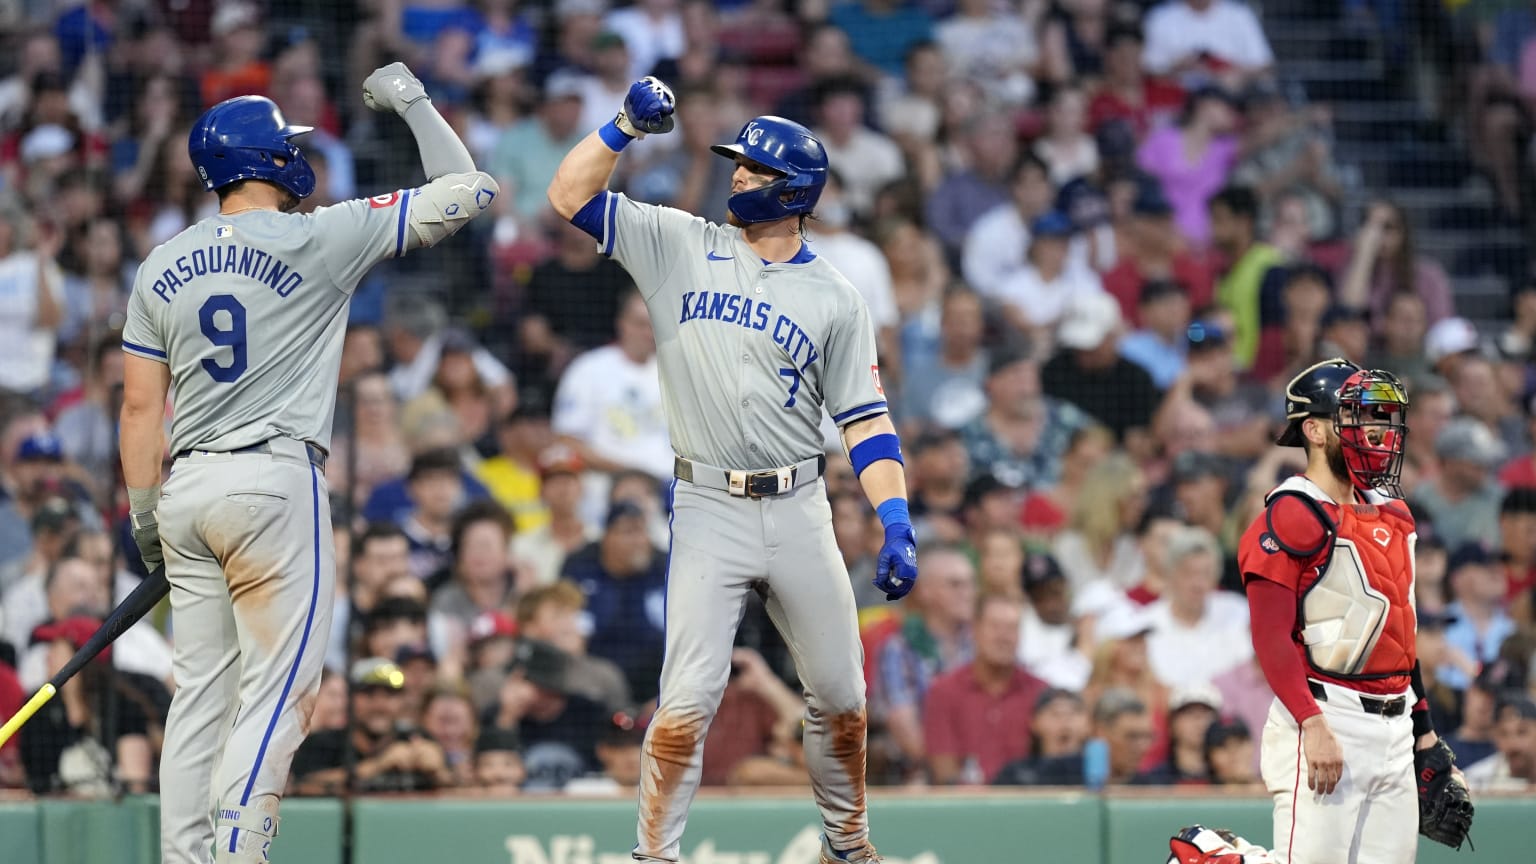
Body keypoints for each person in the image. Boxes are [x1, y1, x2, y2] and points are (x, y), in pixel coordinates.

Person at [118, 65, 497, 864]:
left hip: (187, 485)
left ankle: (185, 857)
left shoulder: (160, 264)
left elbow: (140, 411)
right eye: (286, 145)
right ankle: (238, 854)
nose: (299, 154)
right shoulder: (323, 234)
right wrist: (412, 101)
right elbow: (471, 188)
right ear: (265, 162)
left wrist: (147, 515)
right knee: (277, 687)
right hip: (272, 482)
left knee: (201, 697)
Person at [546, 80, 917, 864]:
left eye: (752, 169)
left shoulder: (837, 298)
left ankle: (847, 846)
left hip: (799, 503)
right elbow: (567, 194)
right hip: (707, 500)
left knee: (844, 702)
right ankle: (655, 857)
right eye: (738, 164)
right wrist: (619, 129)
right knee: (683, 704)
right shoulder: (680, 241)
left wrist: (895, 520)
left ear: (795, 191)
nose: (737, 176)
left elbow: (867, 423)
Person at [1234, 358, 1468, 864]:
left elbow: (1398, 636)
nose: (1376, 431)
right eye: (1358, 417)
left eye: (1379, 418)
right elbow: (1271, 638)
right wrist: (1310, 723)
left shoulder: (1393, 510)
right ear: (1315, 430)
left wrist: (1424, 730)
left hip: (1394, 720)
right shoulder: (1292, 512)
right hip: (1326, 710)